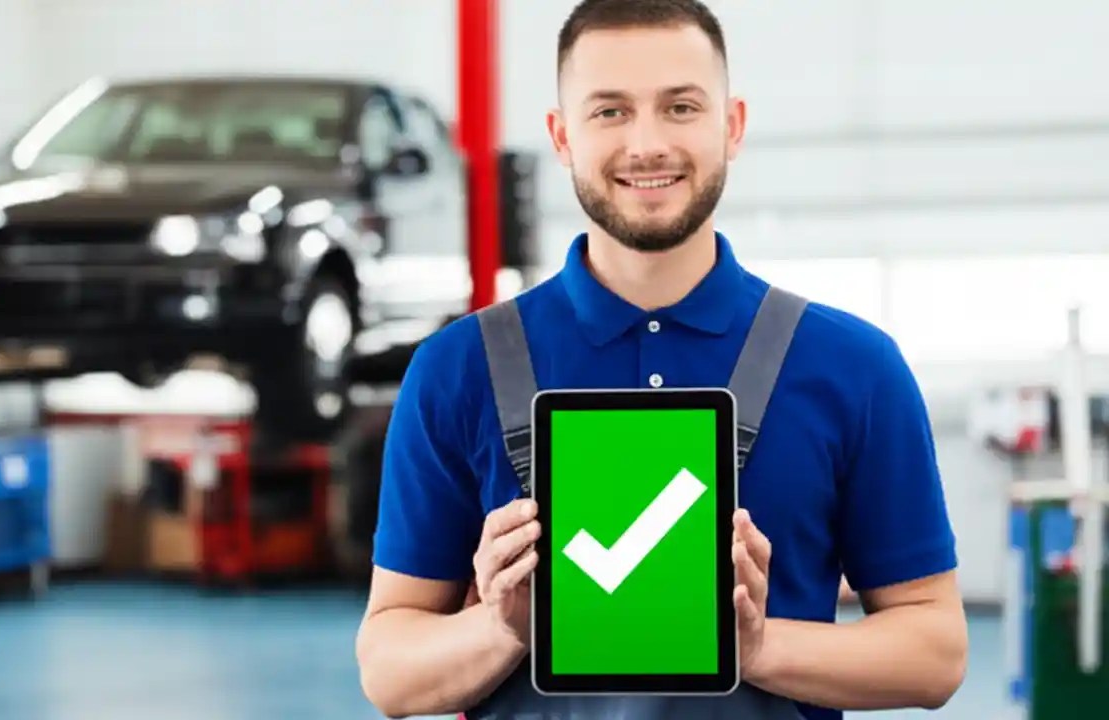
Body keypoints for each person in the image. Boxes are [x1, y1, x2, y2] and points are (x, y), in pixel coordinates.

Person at [355, 1, 969, 718]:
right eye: (610, 111)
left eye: (680, 107)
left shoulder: (853, 367)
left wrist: (759, 648)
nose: (646, 144)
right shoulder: (458, 369)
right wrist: (502, 628)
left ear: (731, 126)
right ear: (562, 136)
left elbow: (934, 652)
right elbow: (389, 671)